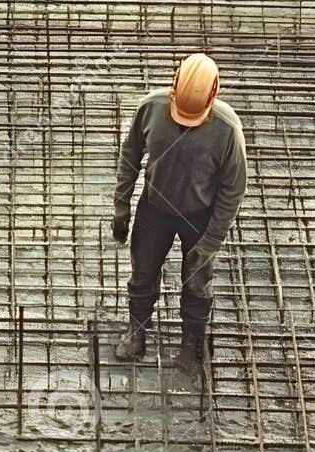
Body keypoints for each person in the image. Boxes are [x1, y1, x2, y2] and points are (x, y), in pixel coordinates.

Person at [112, 52, 247, 377]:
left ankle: (191, 346)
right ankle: (137, 333)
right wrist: (121, 205)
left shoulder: (227, 129)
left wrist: (211, 241)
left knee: (197, 283)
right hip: (155, 210)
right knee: (143, 275)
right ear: (172, 89)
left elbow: (233, 189)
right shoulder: (151, 108)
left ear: (213, 95)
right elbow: (130, 154)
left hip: (199, 218)